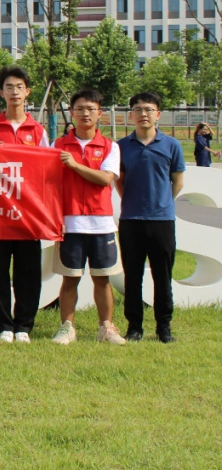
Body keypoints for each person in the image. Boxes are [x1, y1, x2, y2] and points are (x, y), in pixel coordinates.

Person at [0, 67, 49, 343]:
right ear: (1, 93)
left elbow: (46, 171)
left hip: (28, 213)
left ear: (27, 92)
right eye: (9, 87)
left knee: (28, 272)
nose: (14, 92)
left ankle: (24, 325)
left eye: (19, 87)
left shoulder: (38, 130)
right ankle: (4, 326)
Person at [52, 87, 126, 345]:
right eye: (80, 108)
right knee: (70, 278)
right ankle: (66, 327)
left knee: (102, 279)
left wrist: (74, 165)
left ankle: (106, 327)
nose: (85, 113)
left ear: (99, 114)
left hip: (101, 223)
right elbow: (51, 184)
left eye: (90, 109)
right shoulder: (58, 146)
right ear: (71, 113)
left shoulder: (109, 147)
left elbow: (105, 179)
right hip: (69, 224)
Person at [116, 92, 185, 343]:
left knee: (162, 275)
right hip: (131, 220)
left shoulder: (172, 145)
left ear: (158, 114)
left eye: (148, 109)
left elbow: (177, 182)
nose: (143, 114)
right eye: (137, 109)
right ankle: (134, 327)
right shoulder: (121, 147)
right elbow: (120, 182)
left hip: (162, 221)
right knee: (132, 276)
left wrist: (162, 202)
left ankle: (163, 328)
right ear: (131, 115)